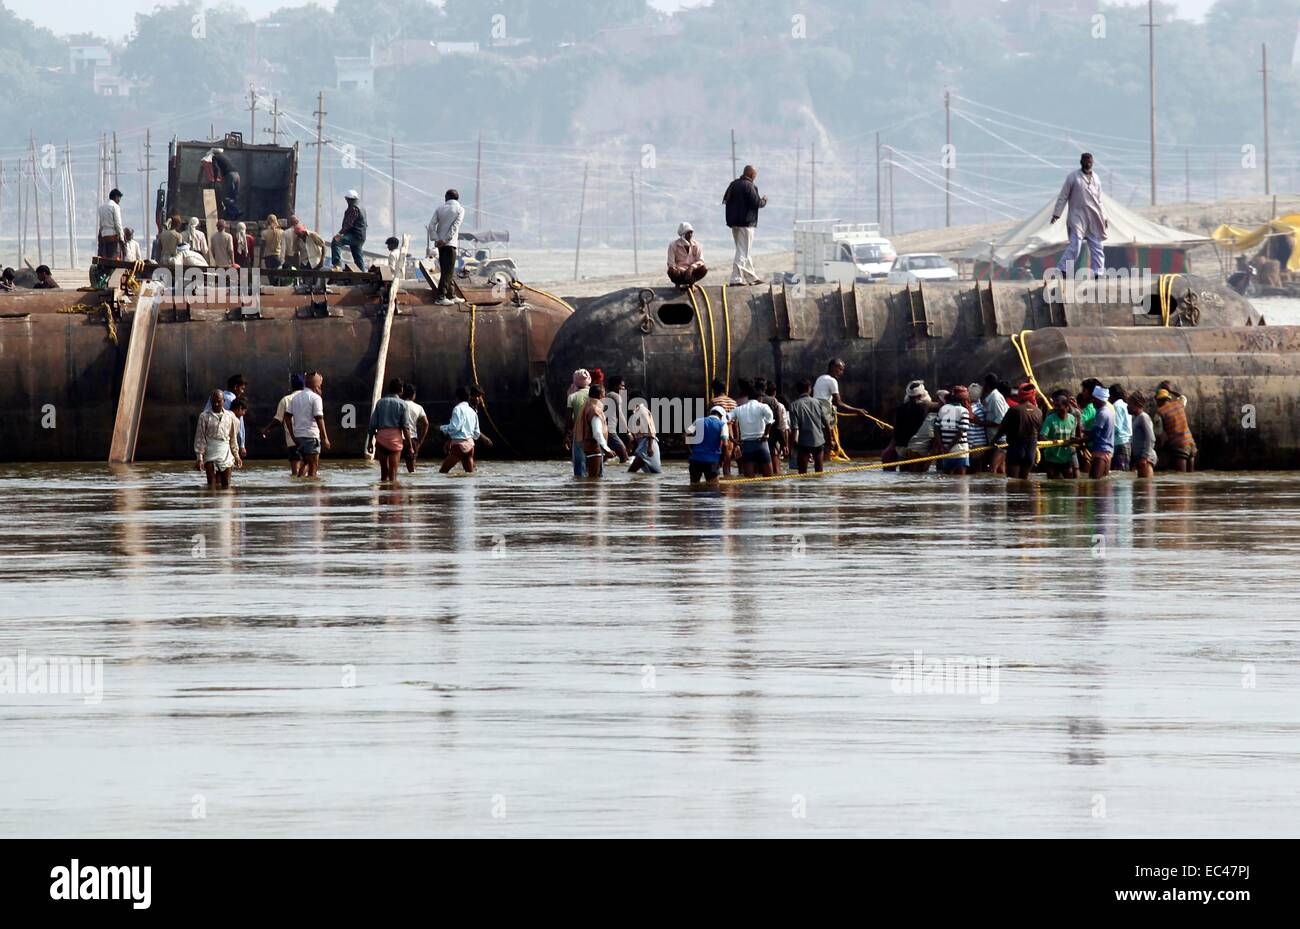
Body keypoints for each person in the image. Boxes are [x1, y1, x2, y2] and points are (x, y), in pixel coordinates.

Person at [1050, 152, 1109, 276]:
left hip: (1094, 216)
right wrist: (1057, 213)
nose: (1088, 163)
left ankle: (1098, 272)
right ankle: (1063, 269)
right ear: (1081, 162)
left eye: (1090, 161)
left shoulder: (1096, 178)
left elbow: (1100, 200)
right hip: (1077, 216)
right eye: (1086, 160)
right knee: (1075, 244)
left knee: (1097, 244)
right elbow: (1063, 196)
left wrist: (1104, 217)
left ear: (1093, 162)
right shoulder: (1073, 177)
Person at [722, 164, 767, 285]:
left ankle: (751, 277)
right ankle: (736, 278)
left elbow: (726, 201)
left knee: (744, 251)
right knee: (743, 252)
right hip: (746, 224)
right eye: (755, 175)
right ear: (752, 175)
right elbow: (756, 203)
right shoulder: (749, 186)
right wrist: (764, 201)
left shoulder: (733, 184)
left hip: (734, 224)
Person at [284, 371, 330, 477]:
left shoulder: (295, 398)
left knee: (305, 463)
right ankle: (311, 489)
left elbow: (287, 416)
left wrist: (292, 434)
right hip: (311, 436)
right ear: (315, 383)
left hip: (299, 436)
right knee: (313, 466)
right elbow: (319, 419)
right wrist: (325, 438)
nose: (321, 385)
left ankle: (300, 485)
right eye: (320, 382)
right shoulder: (315, 398)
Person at [194, 388, 242, 489]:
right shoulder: (204, 416)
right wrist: (200, 458)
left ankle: (226, 503)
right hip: (210, 451)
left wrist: (236, 455)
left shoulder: (230, 416)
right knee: (211, 484)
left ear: (224, 401)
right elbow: (200, 438)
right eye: (214, 402)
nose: (216, 404)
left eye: (219, 402)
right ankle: (211, 502)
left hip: (225, 452)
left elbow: (233, 438)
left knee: (226, 484)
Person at [995, 382, 1043, 479]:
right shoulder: (1038, 412)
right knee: (1024, 482)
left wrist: (993, 442)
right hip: (1030, 452)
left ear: (1019, 394)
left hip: (1015, 451)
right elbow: (1039, 431)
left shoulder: (1014, 410)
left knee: (1012, 483)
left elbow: (1002, 429)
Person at [260, 373, 306, 476]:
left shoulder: (286, 399)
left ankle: (297, 485)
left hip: (292, 439)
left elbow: (278, 420)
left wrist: (266, 429)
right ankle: (306, 486)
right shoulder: (310, 398)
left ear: (292, 385)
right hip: (308, 437)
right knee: (310, 464)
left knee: (295, 472)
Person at [439, 386, 491, 473]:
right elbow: (476, 433)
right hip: (470, 446)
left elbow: (454, 428)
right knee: (470, 475)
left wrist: (442, 428)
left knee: (443, 472)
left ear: (457, 397)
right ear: (469, 396)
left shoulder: (458, 409)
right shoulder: (472, 411)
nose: (479, 399)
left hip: (459, 446)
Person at [368, 377, 411, 482]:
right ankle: (392, 495)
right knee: (393, 474)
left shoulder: (380, 403)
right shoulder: (403, 404)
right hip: (395, 440)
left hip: (381, 438)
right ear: (401, 389)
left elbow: (372, 424)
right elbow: (405, 427)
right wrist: (410, 446)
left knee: (384, 473)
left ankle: (383, 496)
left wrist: (370, 442)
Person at [731, 378, 775, 477]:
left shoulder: (739, 409)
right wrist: (766, 434)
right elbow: (770, 419)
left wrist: (731, 438)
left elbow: (726, 419)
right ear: (759, 398)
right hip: (762, 444)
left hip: (747, 446)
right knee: (769, 478)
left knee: (749, 481)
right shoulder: (763, 407)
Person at [428, 189, 465, 304]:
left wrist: (437, 239)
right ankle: (440, 297)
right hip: (450, 244)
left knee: (446, 271)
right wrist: (445, 240)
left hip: (440, 245)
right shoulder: (460, 209)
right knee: (447, 272)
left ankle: (452, 295)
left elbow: (431, 225)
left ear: (447, 197)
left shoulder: (440, 208)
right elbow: (454, 227)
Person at [573, 382, 615, 477]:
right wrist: (606, 448)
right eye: (604, 394)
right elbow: (597, 433)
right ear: (601, 395)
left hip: (585, 446)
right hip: (593, 450)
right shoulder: (595, 409)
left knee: (589, 480)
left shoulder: (586, 405)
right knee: (595, 481)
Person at [788, 379, 831, 474]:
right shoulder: (818, 403)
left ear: (797, 390)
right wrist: (829, 442)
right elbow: (827, 424)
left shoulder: (794, 405)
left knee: (802, 475)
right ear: (809, 389)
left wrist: (790, 448)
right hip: (819, 442)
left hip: (804, 444)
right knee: (819, 474)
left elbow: (794, 429)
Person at [203, 374, 249, 459]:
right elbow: (239, 425)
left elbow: (205, 415)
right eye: (242, 388)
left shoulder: (215, 396)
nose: (242, 392)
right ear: (236, 387)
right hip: (225, 441)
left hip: (210, 441)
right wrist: (242, 445)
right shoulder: (235, 401)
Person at [1039, 390, 1081, 479]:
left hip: (1067, 457)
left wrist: (1072, 441)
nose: (1056, 408)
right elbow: (1042, 436)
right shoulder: (1050, 419)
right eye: (1055, 406)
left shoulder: (1072, 419)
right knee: (1052, 484)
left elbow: (1073, 436)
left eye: (1059, 406)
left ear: (1066, 406)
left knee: (1069, 484)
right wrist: (1052, 442)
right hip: (1051, 457)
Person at [1155, 386, 1197, 471]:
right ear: (1168, 398)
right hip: (1191, 444)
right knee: (1191, 478)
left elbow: (1158, 434)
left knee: (1181, 479)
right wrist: (1171, 390)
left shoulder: (1160, 412)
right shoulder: (1179, 404)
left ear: (1158, 400)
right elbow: (1183, 397)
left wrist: (1159, 449)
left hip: (1179, 446)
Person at [685, 404, 728, 484]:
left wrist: (690, 451)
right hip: (712, 461)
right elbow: (725, 444)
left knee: (694, 487)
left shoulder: (698, 421)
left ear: (710, 413)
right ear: (722, 416)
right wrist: (722, 460)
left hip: (695, 460)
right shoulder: (723, 425)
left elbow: (686, 435)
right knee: (713, 489)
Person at [933, 385, 971, 475]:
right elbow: (961, 432)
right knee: (961, 482)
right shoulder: (964, 411)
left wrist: (942, 446)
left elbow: (936, 428)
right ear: (963, 399)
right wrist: (949, 447)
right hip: (960, 451)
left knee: (947, 480)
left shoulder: (943, 409)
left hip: (946, 452)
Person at [976, 373, 1009, 475]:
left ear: (986, 385)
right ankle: (1003, 490)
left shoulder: (995, 398)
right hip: (997, 439)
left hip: (1001, 440)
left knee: (992, 470)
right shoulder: (992, 397)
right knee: (1000, 470)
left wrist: (980, 423)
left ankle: (993, 490)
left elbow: (1000, 421)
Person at [708, 378, 739, 476]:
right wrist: (736, 440)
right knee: (727, 461)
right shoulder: (733, 402)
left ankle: (716, 484)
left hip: (716, 435)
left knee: (715, 462)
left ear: (715, 390)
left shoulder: (713, 402)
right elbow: (736, 423)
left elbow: (710, 420)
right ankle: (727, 485)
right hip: (730, 435)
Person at [565, 368, 593, 477]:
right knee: (593, 460)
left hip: (579, 433)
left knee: (579, 463)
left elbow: (568, 418)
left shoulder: (572, 397)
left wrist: (567, 435)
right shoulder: (596, 395)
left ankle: (580, 486)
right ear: (589, 379)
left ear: (575, 381)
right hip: (593, 432)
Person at [331, 190, 367, 271]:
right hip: (361, 236)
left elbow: (348, 224)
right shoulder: (362, 208)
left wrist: (339, 234)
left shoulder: (354, 208)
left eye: (347, 199)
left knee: (336, 241)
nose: (346, 201)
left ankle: (337, 265)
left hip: (355, 235)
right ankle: (363, 274)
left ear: (349, 199)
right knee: (358, 257)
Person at [1085, 384, 1115, 479]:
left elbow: (1094, 434)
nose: (1092, 401)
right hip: (1107, 452)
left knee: (1095, 483)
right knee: (1103, 486)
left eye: (1094, 399)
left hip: (1100, 453)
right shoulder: (1108, 411)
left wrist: (1075, 441)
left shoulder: (1102, 414)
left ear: (1099, 399)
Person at [626, 398, 662, 474]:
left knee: (631, 472)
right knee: (651, 472)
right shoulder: (636, 413)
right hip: (643, 444)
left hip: (647, 444)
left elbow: (650, 428)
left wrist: (649, 447)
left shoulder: (642, 411)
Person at [401, 382, 430, 473]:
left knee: (391, 467)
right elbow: (426, 424)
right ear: (413, 395)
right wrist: (420, 442)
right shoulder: (418, 407)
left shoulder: (398, 405)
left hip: (397, 438)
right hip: (412, 439)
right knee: (412, 470)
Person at [667, 222, 707, 287]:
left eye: (691, 232)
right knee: (671, 271)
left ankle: (691, 282)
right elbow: (671, 264)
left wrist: (691, 267)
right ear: (683, 234)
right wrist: (682, 270)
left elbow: (701, 261)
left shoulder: (696, 245)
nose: (690, 235)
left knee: (703, 268)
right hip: (680, 272)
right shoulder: (673, 245)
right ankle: (679, 283)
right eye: (688, 233)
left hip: (692, 272)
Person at [764, 380, 790, 475]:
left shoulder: (759, 402)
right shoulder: (779, 405)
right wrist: (785, 444)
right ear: (775, 392)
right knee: (776, 471)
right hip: (774, 440)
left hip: (760, 440)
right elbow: (783, 427)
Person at [1128, 391, 1157, 478]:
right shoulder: (1136, 418)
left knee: (1146, 488)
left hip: (1146, 460)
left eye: (1129, 404)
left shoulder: (1143, 417)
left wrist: (1144, 457)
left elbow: (1151, 438)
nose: (1127, 407)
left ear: (1137, 404)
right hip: (1140, 459)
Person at [605, 375, 631, 463]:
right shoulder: (616, 396)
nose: (624, 388)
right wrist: (628, 432)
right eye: (622, 386)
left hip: (605, 430)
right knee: (624, 457)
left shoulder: (607, 394)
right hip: (610, 431)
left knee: (606, 457)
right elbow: (619, 414)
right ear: (615, 386)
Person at [210, 148, 241, 219]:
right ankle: (231, 215)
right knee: (233, 197)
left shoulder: (214, 157)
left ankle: (236, 211)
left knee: (226, 197)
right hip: (237, 175)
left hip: (230, 176)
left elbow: (216, 169)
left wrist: (214, 180)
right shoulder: (224, 157)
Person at [1109, 383, 1132, 471]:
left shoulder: (1117, 406)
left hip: (1120, 443)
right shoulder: (1125, 405)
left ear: (1112, 395)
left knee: (1120, 471)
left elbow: (1116, 427)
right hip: (1127, 442)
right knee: (1124, 470)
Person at [97, 188, 124, 260]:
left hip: (104, 236)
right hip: (113, 235)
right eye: (119, 198)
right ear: (116, 197)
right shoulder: (115, 206)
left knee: (106, 256)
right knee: (116, 256)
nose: (119, 200)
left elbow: (101, 224)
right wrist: (122, 238)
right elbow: (118, 224)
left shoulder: (101, 207)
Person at [967, 383, 989, 472]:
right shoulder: (982, 407)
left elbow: (971, 430)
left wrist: (969, 446)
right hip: (983, 445)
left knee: (973, 472)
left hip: (975, 446)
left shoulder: (971, 411)